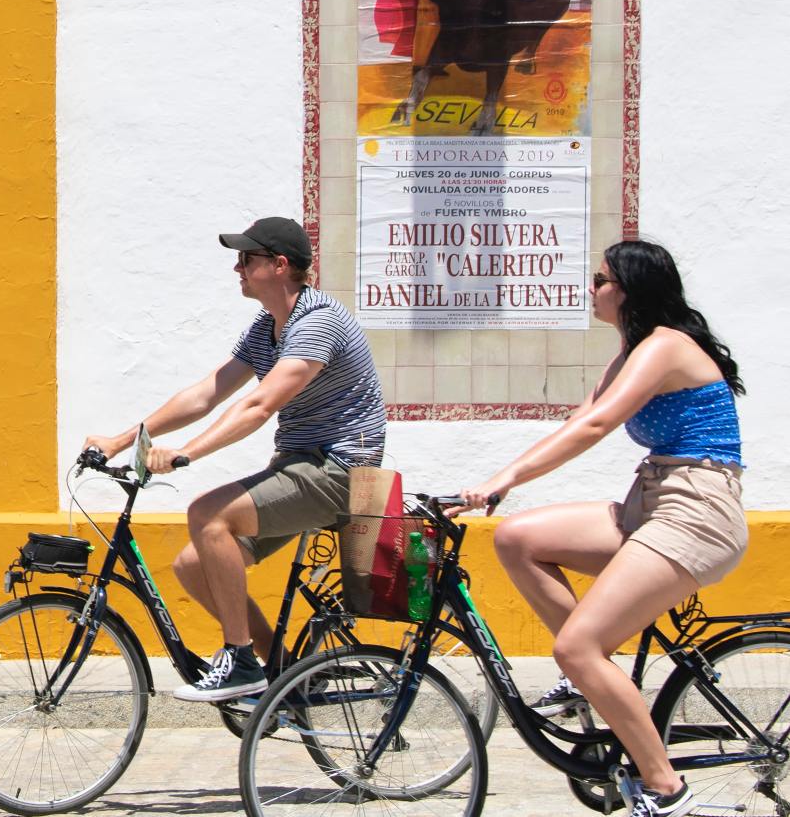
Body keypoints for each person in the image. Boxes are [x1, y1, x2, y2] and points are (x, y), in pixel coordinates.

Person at [454, 239, 745, 817]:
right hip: (655, 500)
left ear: (629, 290)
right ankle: (590, 677)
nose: (591, 289)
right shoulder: (633, 351)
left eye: (600, 280)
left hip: (698, 511)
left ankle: (667, 791)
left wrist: (504, 478)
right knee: (518, 538)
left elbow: (599, 426)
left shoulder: (666, 347)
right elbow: (579, 419)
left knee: (578, 647)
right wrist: (495, 481)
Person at [85, 217, 385, 701]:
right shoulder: (268, 327)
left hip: (340, 470)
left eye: (247, 259)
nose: (237, 267)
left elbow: (259, 405)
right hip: (299, 466)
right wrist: (122, 440)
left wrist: (187, 452)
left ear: (279, 265)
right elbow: (208, 393)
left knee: (207, 513)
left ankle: (240, 661)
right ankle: (282, 671)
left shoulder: (318, 322)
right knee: (191, 564)